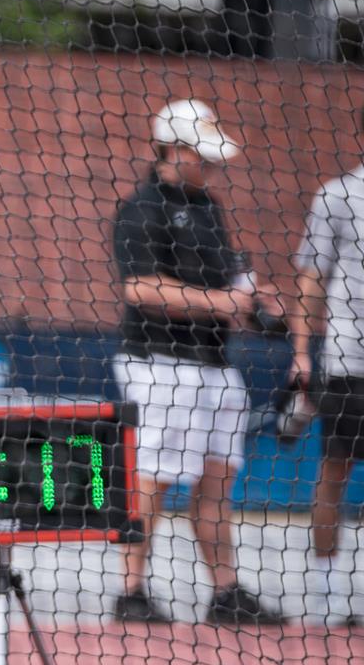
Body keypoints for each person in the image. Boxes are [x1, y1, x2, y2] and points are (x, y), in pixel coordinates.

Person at [108, 99, 285, 625]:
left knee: (216, 482)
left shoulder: (208, 207)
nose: (209, 165)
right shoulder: (142, 208)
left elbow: (229, 281)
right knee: (152, 479)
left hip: (214, 364)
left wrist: (254, 304)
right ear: (171, 149)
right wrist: (220, 302)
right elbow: (140, 288)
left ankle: (225, 594)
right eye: (199, 154)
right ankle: (131, 592)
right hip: (161, 364)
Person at [289, 105, 364, 627]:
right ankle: (329, 590)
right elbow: (312, 279)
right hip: (348, 363)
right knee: (333, 473)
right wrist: (301, 353)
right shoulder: (337, 195)